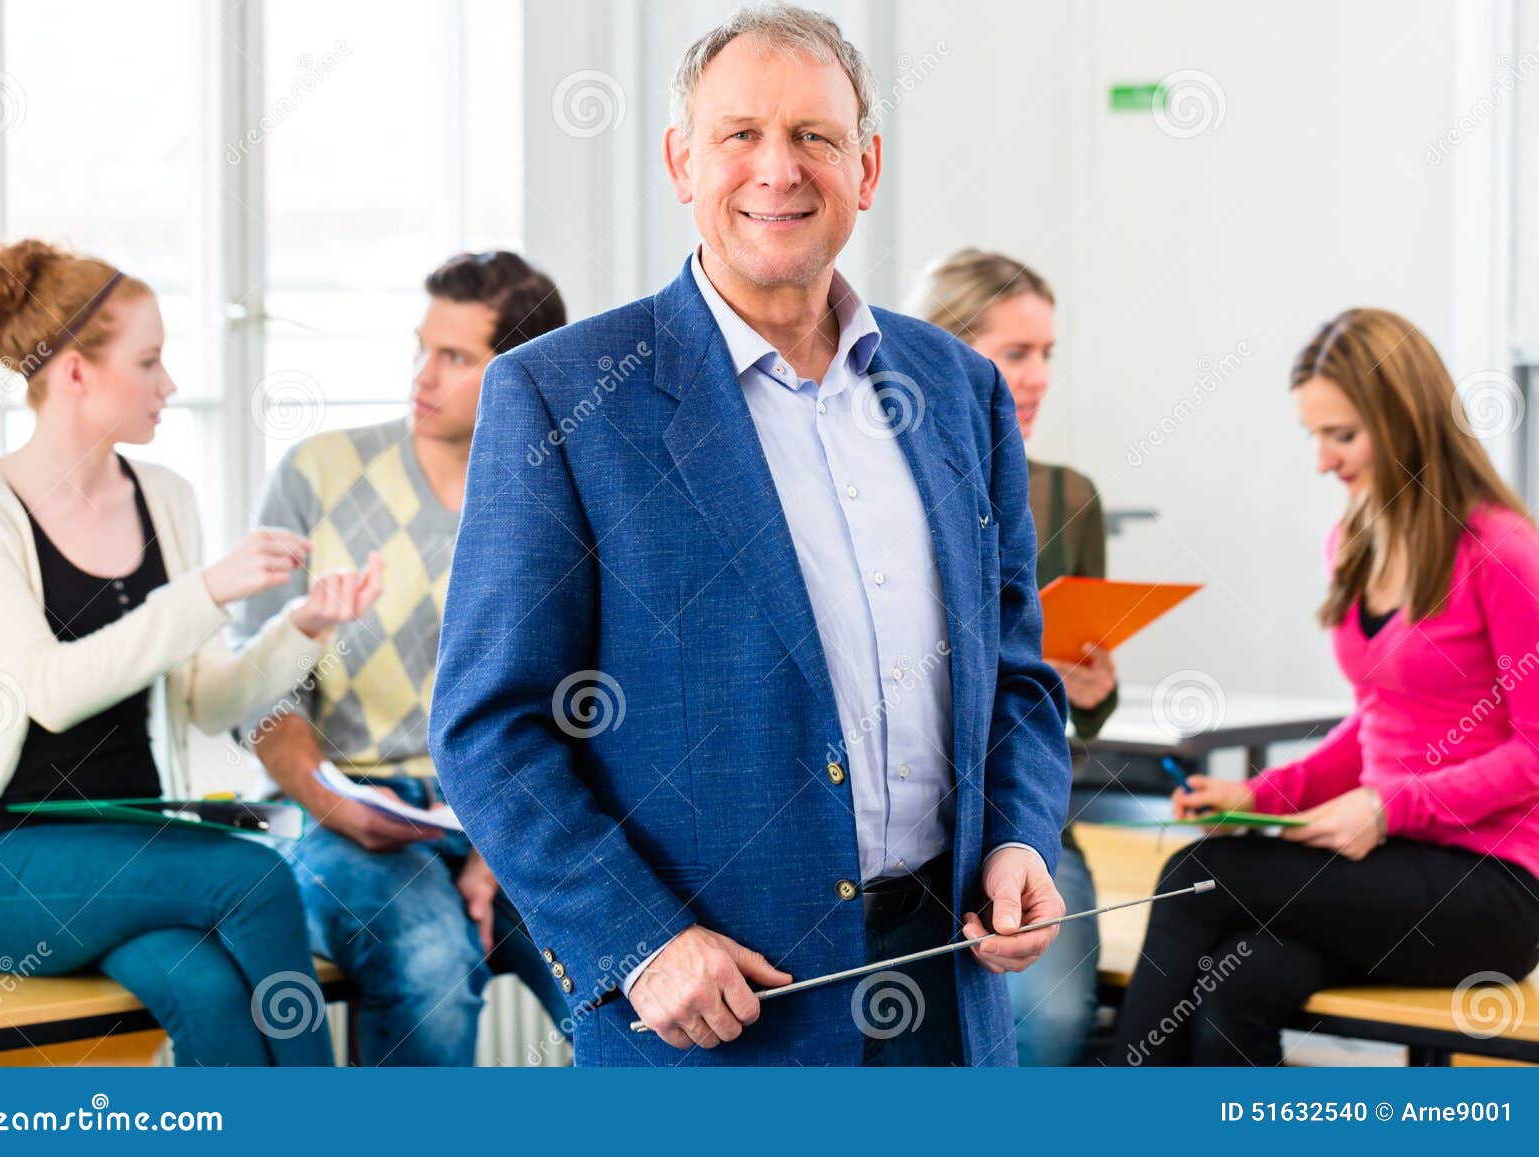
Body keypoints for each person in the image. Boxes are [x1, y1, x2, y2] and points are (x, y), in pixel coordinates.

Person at [428, 3, 1072, 1067]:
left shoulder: (957, 389)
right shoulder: (561, 394)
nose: (779, 169)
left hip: (947, 992)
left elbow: (1014, 672)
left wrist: (1017, 833)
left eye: (814, 137)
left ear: (865, 167)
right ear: (683, 162)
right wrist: (640, 942)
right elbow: (489, 726)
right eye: (740, 135)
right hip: (715, 1014)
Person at [0, 240, 380, 1066]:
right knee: (255, 878)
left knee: (210, 993)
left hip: (136, 845)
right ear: (73, 372)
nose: (169, 384)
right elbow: (50, 690)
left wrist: (304, 627)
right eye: (149, 361)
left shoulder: (165, 498)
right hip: (2, 866)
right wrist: (206, 590)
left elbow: (207, 699)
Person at [1111, 307, 1539, 1066]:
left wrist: (1387, 804)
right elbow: (1376, 719)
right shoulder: (1355, 538)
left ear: (1405, 422)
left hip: (1493, 888)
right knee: (1234, 985)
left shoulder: (1502, 550)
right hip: (1387, 873)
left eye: (1340, 435)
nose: (1321, 461)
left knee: (1198, 875)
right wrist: (1262, 797)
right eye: (1314, 435)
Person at [232, 251, 570, 1065]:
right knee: (428, 967)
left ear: (519, 371)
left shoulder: (556, 490)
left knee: (635, 973)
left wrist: (495, 850)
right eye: (422, 347)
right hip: (346, 812)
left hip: (512, 809)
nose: (423, 375)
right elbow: (258, 694)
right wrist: (336, 803)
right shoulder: (318, 472)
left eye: (454, 357)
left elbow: (575, 697)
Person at [911, 248, 1112, 1065]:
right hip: (905, 826)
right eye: (1015, 353)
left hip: (1018, 815)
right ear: (947, 352)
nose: (1035, 379)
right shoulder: (877, 485)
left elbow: (1066, 716)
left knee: (1053, 1016)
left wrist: (1090, 691)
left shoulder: (1068, 496)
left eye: (1047, 355)